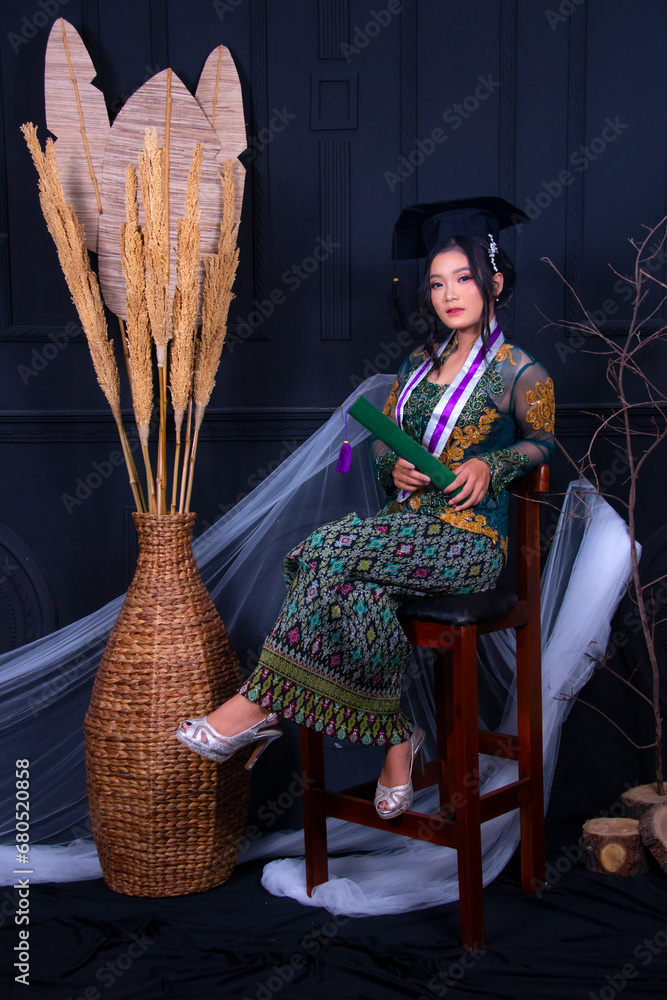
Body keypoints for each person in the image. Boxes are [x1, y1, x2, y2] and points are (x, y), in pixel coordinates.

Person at [177, 197, 556, 819]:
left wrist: (493, 464)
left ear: (494, 281)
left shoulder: (523, 372)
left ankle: (256, 704)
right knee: (356, 592)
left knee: (319, 551)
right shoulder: (417, 365)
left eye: (463, 279)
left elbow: (542, 443)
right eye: (436, 283)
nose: (448, 294)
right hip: (402, 530)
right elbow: (384, 441)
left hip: (466, 542)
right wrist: (391, 464)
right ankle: (397, 738)